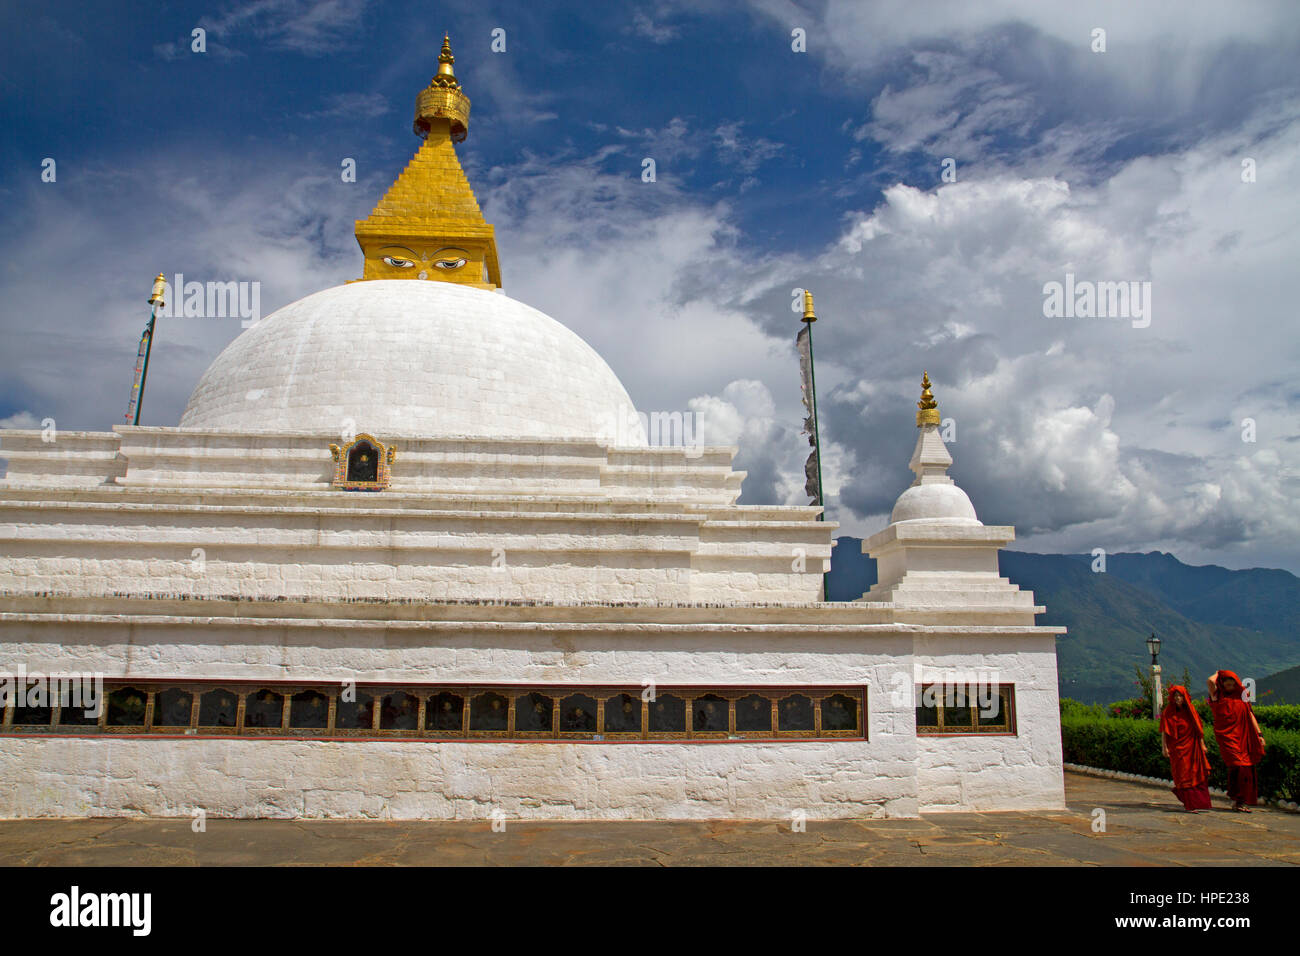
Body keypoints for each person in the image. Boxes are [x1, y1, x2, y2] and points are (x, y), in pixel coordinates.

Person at [1207, 670, 1266, 811]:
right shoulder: (1217, 696)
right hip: (1228, 738)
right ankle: (1238, 799)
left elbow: (1250, 715)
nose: (1229, 683)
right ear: (1221, 682)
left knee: (1245, 768)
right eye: (1226, 680)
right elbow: (1210, 681)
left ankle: (1240, 801)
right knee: (1238, 765)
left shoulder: (1242, 697)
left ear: (1235, 682)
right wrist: (1218, 672)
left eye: (1231, 680)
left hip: (1244, 737)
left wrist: (1259, 734)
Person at [1159, 686, 1212, 812]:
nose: (1178, 698)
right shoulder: (1168, 711)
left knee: (1194, 773)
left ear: (1185, 697)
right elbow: (1164, 732)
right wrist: (1164, 747)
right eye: (1175, 696)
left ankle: (1196, 803)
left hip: (1192, 746)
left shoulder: (1191, 711)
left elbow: (1198, 729)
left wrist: (1202, 744)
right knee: (1183, 775)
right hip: (1177, 748)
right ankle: (1189, 804)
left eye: (1180, 696)